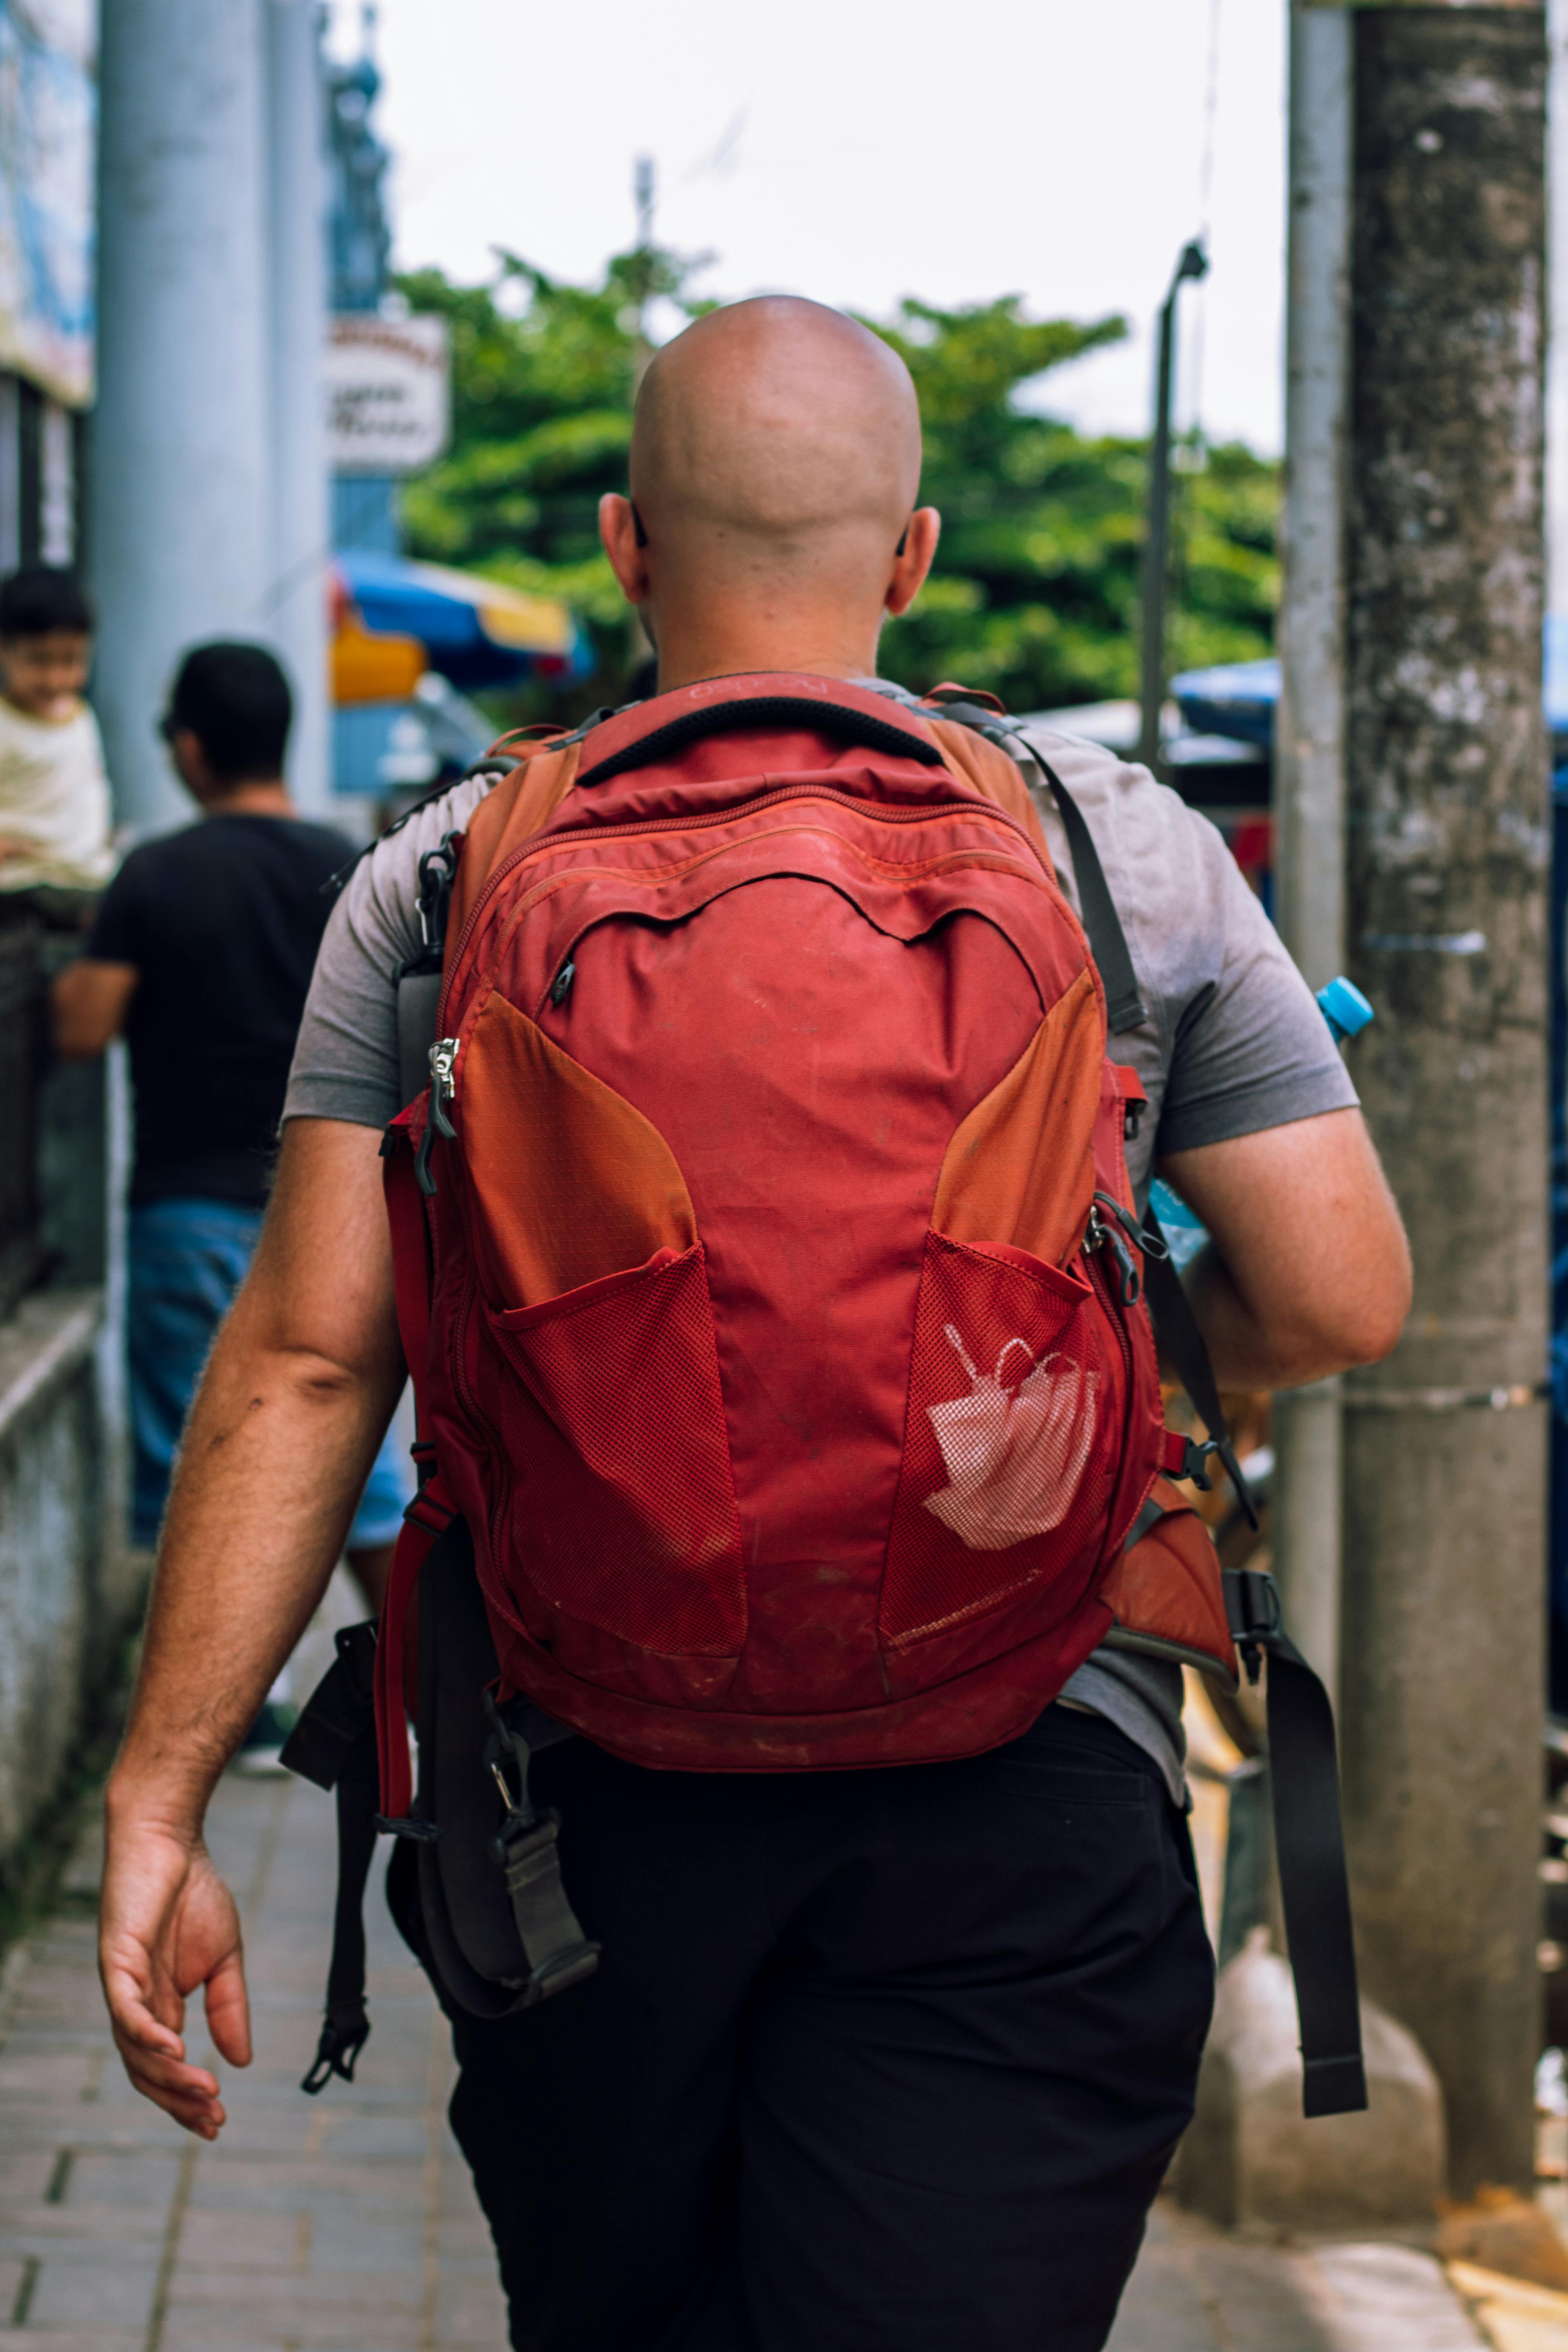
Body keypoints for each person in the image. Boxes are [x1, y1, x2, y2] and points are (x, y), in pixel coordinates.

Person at [97, 306, 1411, 2350]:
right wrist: (1086, 1355)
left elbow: (304, 1359)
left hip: (580, 1801)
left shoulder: (441, 875)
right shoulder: (1111, 844)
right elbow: (1339, 1292)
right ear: (912, 552)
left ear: (626, 545)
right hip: (1031, 1757)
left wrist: (162, 1803)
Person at [52, 641, 411, 1678]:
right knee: (366, 1473)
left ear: (191, 747)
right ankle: (422, 1686)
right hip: (336, 1208)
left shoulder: (154, 873)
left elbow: (81, 1025)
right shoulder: (358, 873)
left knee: (191, 1472)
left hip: (187, 1206)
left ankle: (237, 1708)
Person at [0, 564, 114, 912]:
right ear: (3, 649)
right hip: (21, 890)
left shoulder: (82, 717)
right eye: (39, 661)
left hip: (89, 883)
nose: (55, 679)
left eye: (71, 660)